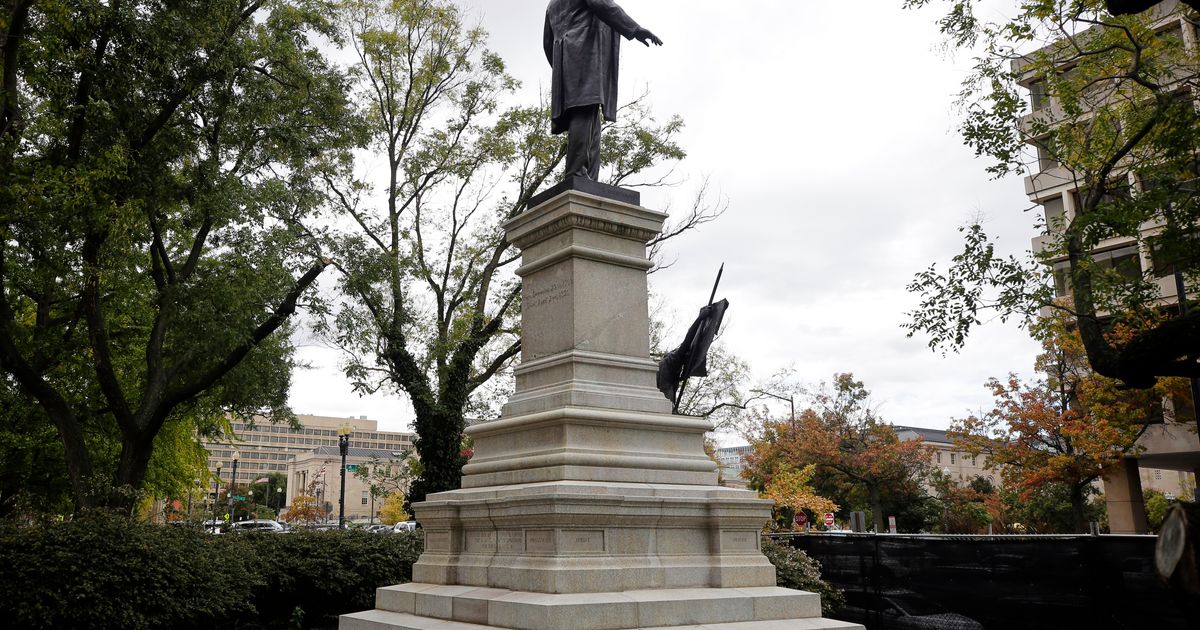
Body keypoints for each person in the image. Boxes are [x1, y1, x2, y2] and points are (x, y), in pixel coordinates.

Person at [544, 0, 662, 180]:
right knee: (584, 111)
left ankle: (589, 176)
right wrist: (635, 30)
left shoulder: (552, 4)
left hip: (566, 61)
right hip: (585, 53)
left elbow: (547, 43)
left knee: (591, 116)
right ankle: (577, 172)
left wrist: (564, 67)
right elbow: (603, 5)